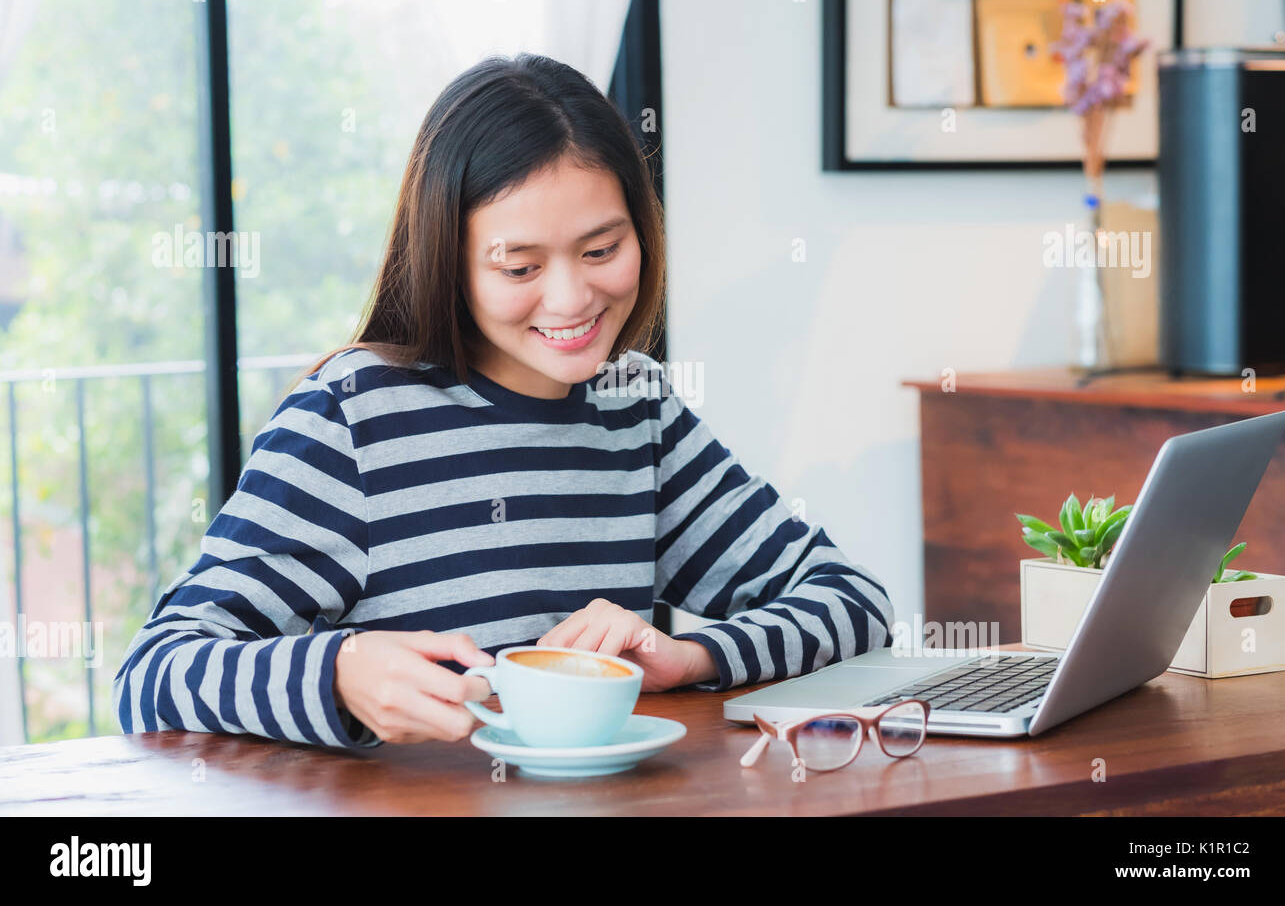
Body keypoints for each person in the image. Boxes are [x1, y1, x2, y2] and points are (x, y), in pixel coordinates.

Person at [113, 53, 894, 749]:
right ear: (447, 262)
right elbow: (154, 674)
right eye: (520, 267)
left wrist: (690, 655)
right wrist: (339, 673)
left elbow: (852, 602)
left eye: (602, 250)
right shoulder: (351, 420)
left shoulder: (635, 409)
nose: (572, 298)